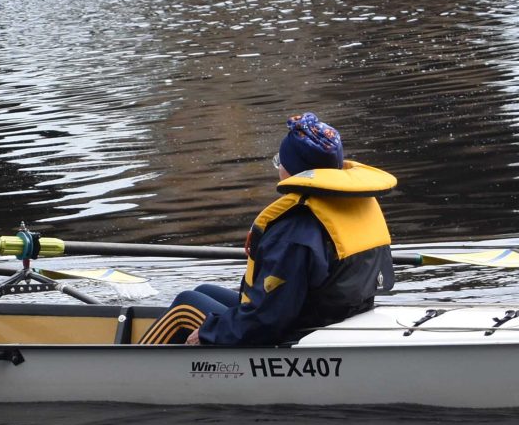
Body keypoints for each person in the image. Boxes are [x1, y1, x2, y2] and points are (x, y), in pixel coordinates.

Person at [142, 112, 395, 346]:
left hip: (296, 334)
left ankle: (129, 367)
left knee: (185, 306)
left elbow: (268, 320)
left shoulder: (295, 230)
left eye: (280, 161)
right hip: (330, 318)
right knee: (203, 292)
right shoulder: (352, 207)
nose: (279, 168)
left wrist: (211, 332)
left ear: (295, 171)